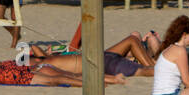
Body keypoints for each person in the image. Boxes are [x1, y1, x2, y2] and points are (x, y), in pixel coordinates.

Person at [29, 30, 160, 77]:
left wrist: (49, 51)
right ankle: (154, 67)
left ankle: (153, 62)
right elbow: (34, 48)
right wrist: (37, 51)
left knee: (133, 39)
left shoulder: (50, 62)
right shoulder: (45, 63)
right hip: (98, 62)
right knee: (132, 39)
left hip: (99, 58)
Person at [0, 58, 126, 87]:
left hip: (5, 76)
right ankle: (112, 78)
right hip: (5, 66)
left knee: (56, 79)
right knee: (61, 74)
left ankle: (100, 83)